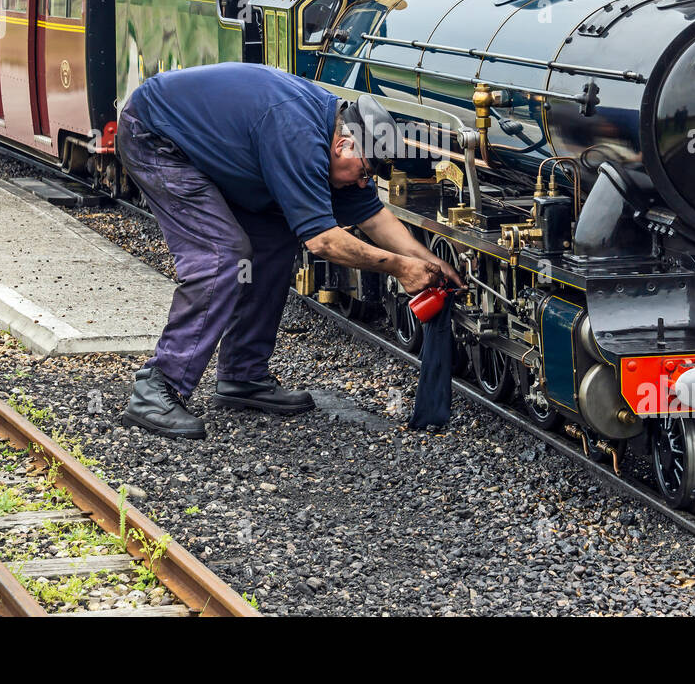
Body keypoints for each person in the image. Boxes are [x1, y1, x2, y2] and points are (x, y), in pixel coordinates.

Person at [116, 63, 462, 439]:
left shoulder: (340, 134)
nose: (363, 182)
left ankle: (242, 375)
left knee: (274, 243)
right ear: (343, 145)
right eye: (363, 173)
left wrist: (429, 262)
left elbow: (373, 216)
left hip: (211, 152)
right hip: (157, 137)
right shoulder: (298, 136)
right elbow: (324, 241)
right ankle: (157, 387)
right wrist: (399, 268)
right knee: (223, 256)